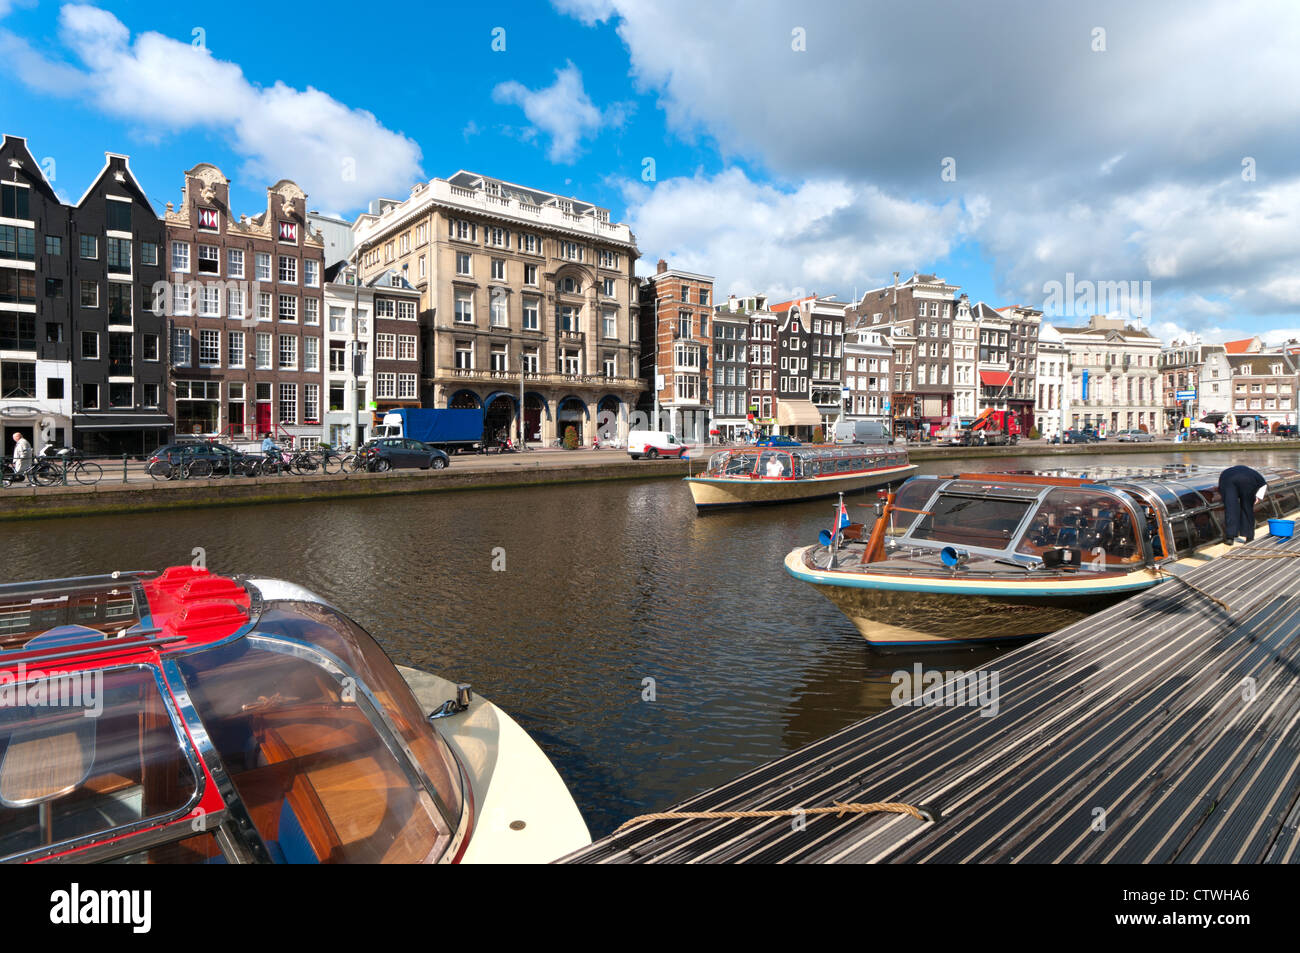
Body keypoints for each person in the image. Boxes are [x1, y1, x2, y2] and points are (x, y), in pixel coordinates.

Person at [1219, 465, 1268, 544]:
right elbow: (1264, 484)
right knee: (1247, 507)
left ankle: (1230, 538)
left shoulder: (1226, 472)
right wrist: (1258, 497)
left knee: (1230, 508)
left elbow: (1222, 488)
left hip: (1227, 479)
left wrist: (1226, 497)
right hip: (1248, 480)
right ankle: (1249, 537)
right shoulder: (1254, 473)